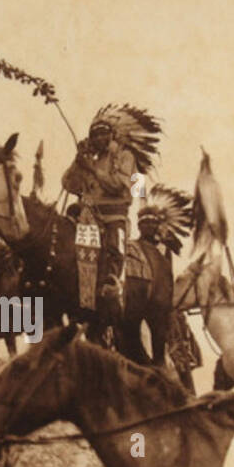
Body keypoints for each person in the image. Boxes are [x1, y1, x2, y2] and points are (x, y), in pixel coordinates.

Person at [61, 105, 161, 318]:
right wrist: (78, 161)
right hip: (89, 216)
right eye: (95, 135)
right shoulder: (92, 160)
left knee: (116, 244)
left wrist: (92, 170)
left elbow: (120, 186)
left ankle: (114, 284)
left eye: (103, 133)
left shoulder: (126, 156)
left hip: (115, 215)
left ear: (112, 134)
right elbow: (69, 185)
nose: (99, 138)